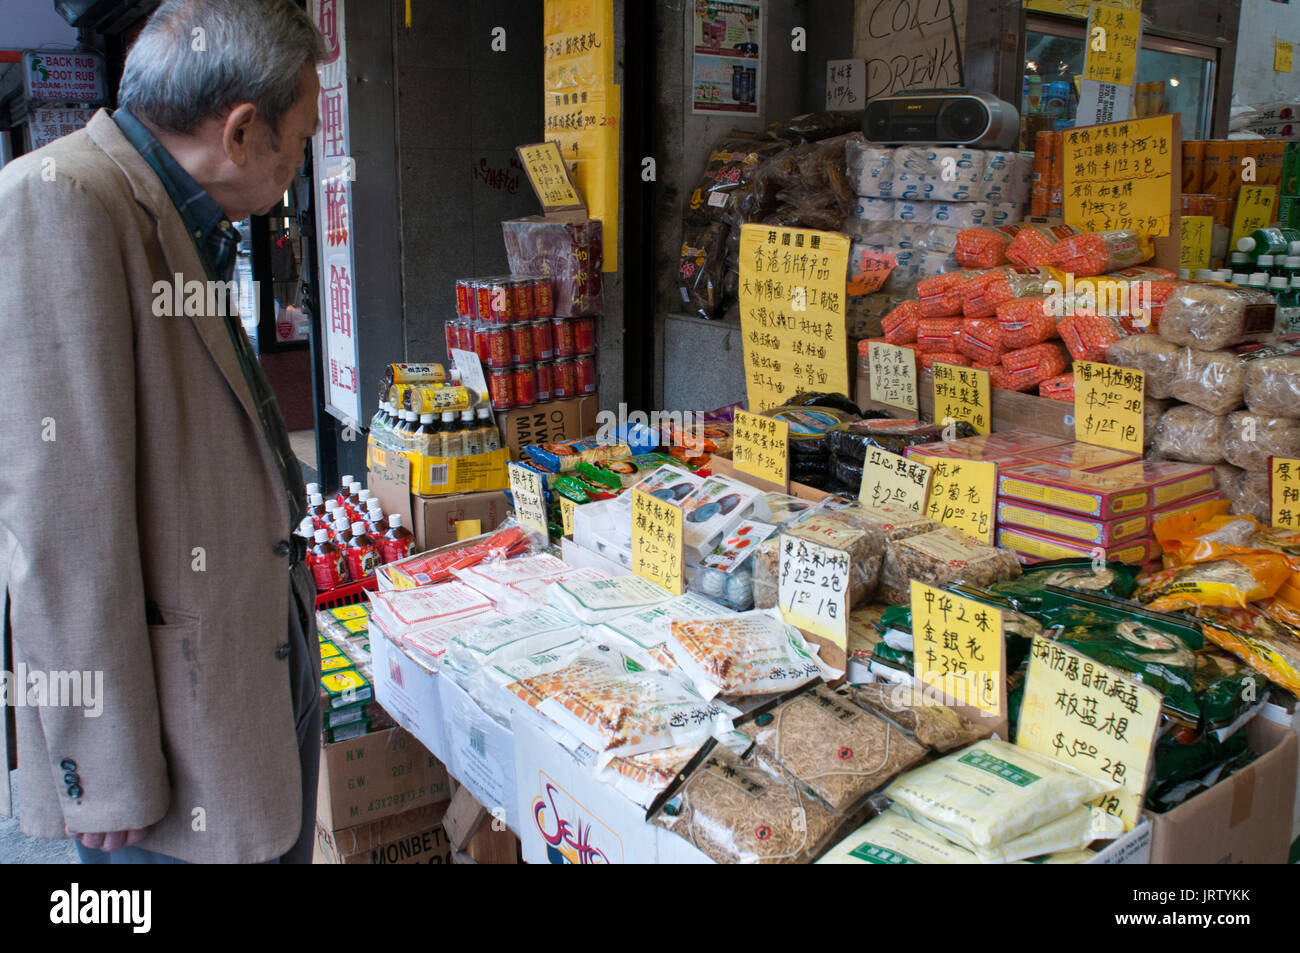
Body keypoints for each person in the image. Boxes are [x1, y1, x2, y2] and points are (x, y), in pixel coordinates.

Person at [0, 0, 326, 863]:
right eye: (299, 140)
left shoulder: (177, 213)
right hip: (166, 747)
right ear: (244, 131)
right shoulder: (62, 200)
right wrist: (101, 766)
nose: (298, 166)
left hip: (237, 680)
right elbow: (58, 521)